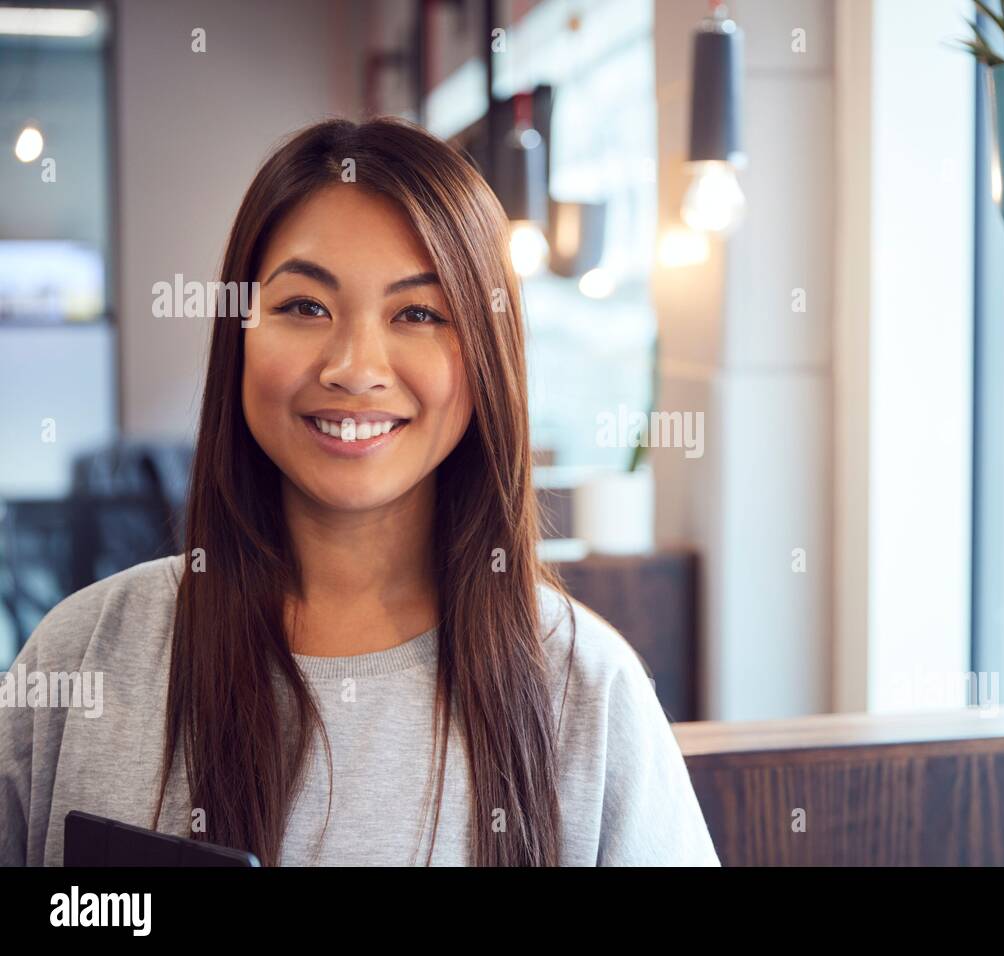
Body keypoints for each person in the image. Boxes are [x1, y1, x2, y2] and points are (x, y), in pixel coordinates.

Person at [0, 117, 720, 867]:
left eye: (418, 313)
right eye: (304, 307)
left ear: (485, 358)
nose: (354, 366)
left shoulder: (587, 691)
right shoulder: (82, 655)